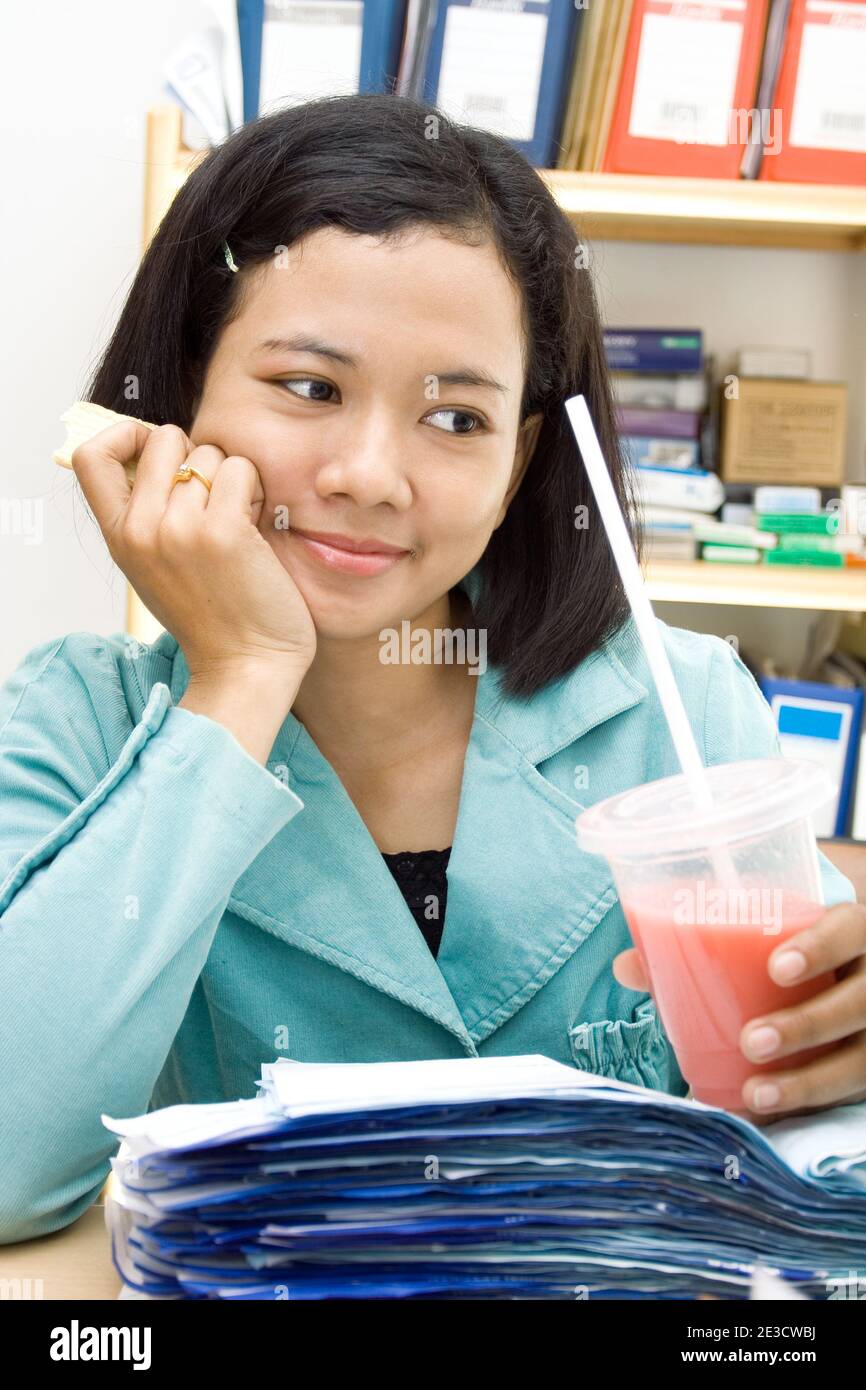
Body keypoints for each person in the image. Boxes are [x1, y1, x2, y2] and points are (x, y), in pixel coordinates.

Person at [1, 93, 865, 1247]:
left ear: (519, 464)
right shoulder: (77, 721)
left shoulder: (684, 702)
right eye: (309, 388)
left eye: (455, 417)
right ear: (177, 392)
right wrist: (243, 673)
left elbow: (805, 1117)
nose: (370, 473)